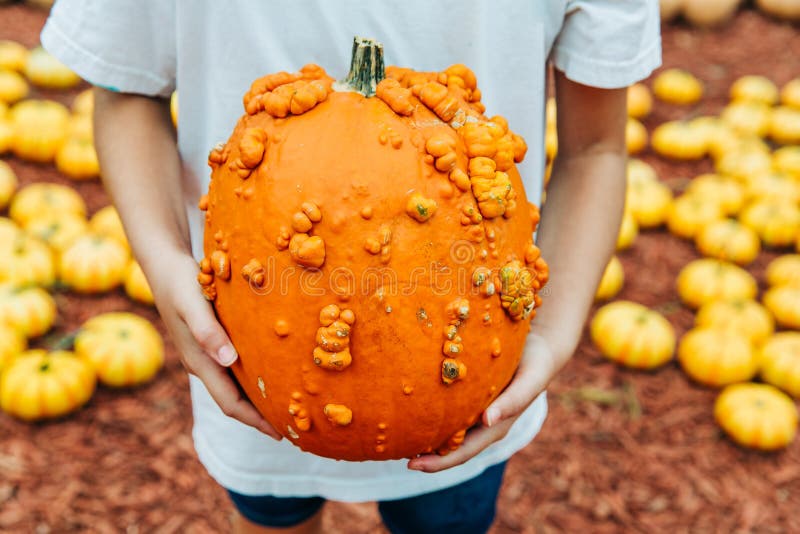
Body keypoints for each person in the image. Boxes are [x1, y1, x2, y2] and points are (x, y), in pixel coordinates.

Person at [41, 2, 660, 532]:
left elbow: (596, 147)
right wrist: (164, 261)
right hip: (248, 365)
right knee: (271, 513)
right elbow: (125, 90)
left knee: (449, 517)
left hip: (477, 395)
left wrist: (552, 333)